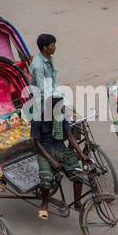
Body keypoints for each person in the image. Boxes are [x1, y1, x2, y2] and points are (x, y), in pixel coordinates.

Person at [29, 34, 86, 220]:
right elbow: (36, 143)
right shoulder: (39, 114)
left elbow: (69, 135)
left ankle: (77, 202)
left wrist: (80, 153)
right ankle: (44, 202)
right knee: (46, 179)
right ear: (46, 47)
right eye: (53, 45)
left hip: (58, 146)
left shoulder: (58, 112)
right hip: (45, 149)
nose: (55, 47)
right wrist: (52, 161)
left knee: (78, 173)